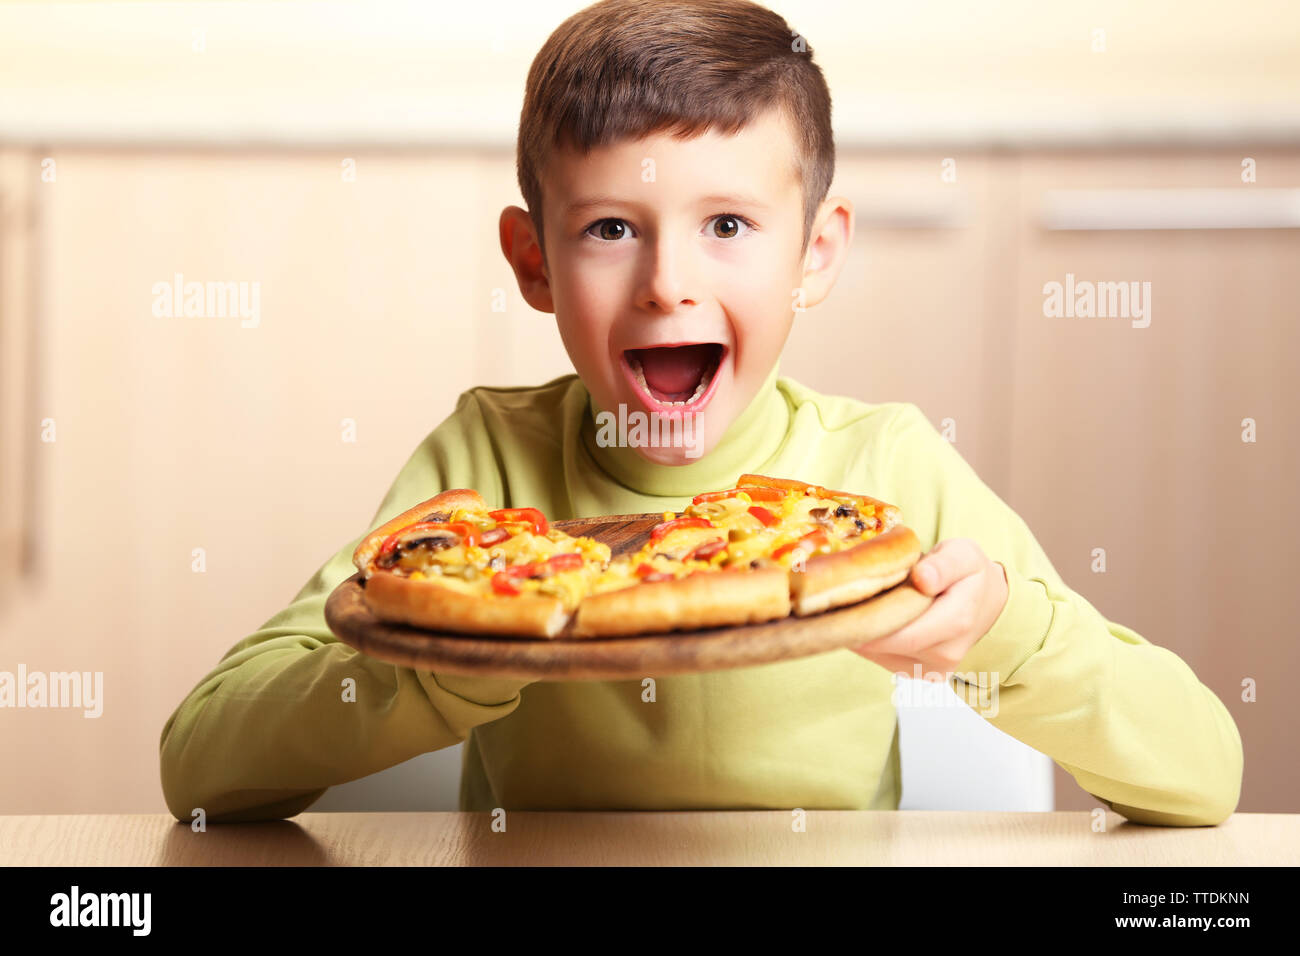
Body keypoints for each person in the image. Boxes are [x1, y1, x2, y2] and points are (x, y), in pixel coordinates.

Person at [159, 0, 1242, 826]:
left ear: (814, 253)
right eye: (610, 230)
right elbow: (198, 764)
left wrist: (1000, 633)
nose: (667, 282)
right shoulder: (482, 475)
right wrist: (435, 666)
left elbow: (1202, 772)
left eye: (726, 223)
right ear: (533, 262)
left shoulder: (879, 471)